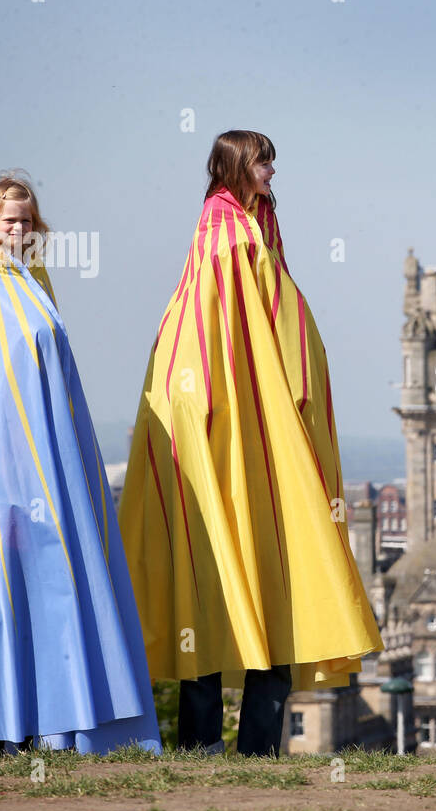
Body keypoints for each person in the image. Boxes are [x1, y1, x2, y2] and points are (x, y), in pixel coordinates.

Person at [118, 130, 383, 757]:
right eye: (262, 160)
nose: (271, 170)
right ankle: (203, 745)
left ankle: (258, 750)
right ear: (237, 165)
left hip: (265, 426)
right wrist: (211, 401)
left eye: (271, 159)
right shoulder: (222, 227)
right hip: (231, 424)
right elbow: (208, 321)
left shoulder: (262, 223)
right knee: (215, 580)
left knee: (272, 580)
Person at [0, 172, 162, 757]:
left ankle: (60, 729)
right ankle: (1, 733)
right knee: (0, 594)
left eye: (25, 219)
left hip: (47, 463)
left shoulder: (35, 279)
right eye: (7, 219)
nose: (17, 228)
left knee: (57, 588)